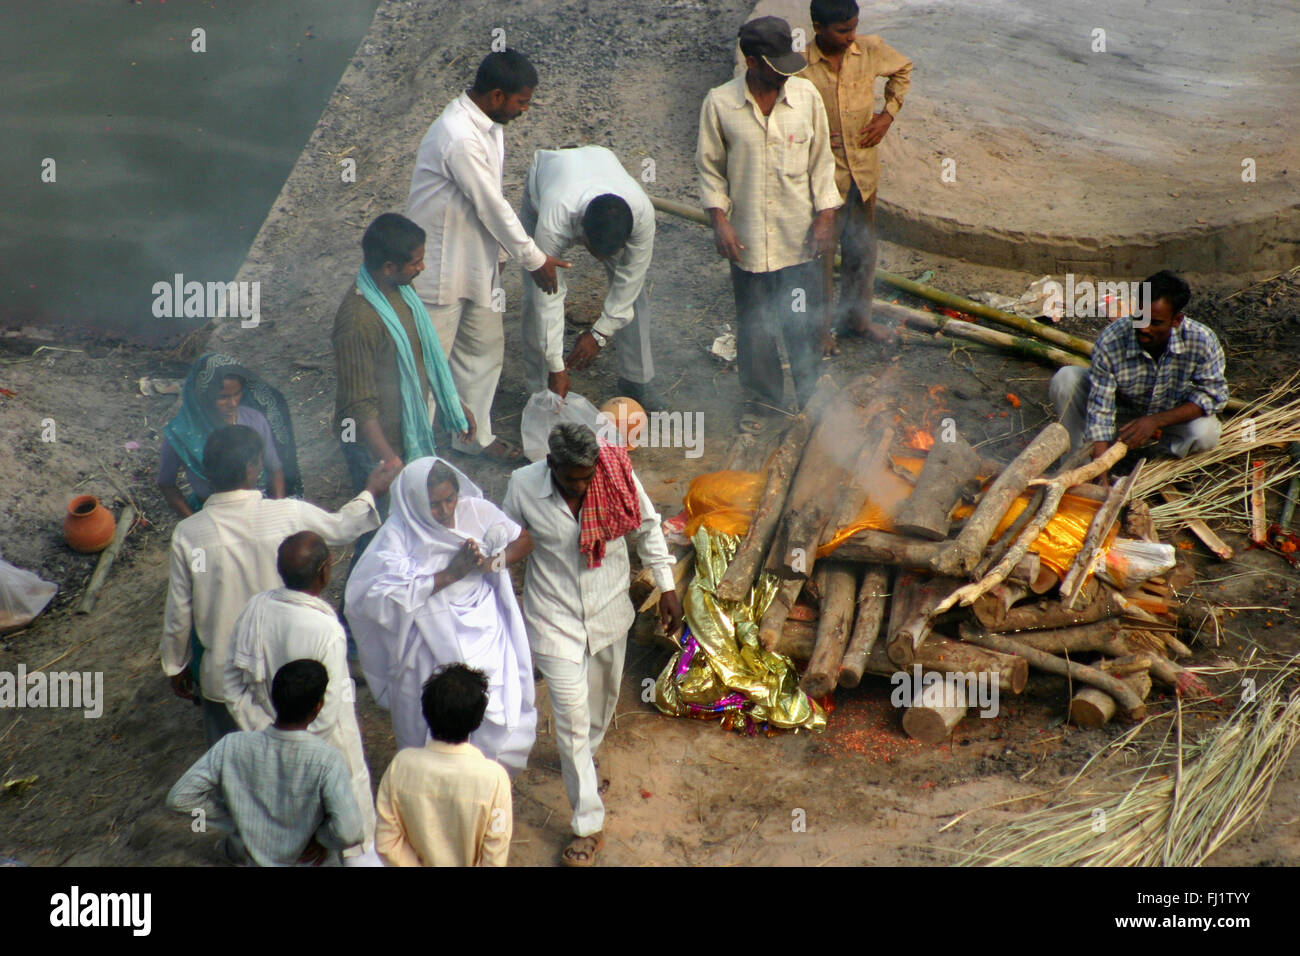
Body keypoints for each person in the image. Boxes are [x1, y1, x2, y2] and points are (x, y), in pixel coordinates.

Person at [502, 423, 681, 866]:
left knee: (602, 706)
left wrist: (668, 586)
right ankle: (587, 823)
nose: (581, 486)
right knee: (572, 719)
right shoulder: (522, 486)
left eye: (586, 477)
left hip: (608, 613)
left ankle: (583, 761)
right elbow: (507, 539)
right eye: (571, 478)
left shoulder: (616, 473)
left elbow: (648, 528)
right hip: (552, 617)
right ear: (552, 465)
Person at [161, 424, 400, 745]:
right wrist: (370, 491)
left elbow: (179, 611)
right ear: (253, 467)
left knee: (236, 774)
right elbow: (343, 527)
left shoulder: (190, 533)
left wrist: (175, 665)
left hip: (223, 681)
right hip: (286, 673)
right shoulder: (287, 514)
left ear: (207, 471)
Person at [405, 49, 569, 461]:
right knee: (429, 364)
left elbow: (490, 202)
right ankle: (418, 454)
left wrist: (500, 255)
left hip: (476, 264)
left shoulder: (490, 126)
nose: (524, 110)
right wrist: (534, 259)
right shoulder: (458, 134)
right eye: (521, 102)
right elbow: (491, 204)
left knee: (482, 350)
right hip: (438, 268)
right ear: (497, 95)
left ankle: (471, 436)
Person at [345, 458, 537, 775]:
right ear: (416, 502)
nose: (446, 510)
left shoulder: (476, 511)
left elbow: (524, 540)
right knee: (429, 712)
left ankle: (484, 778)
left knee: (490, 702)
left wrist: (493, 562)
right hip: (425, 640)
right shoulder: (397, 535)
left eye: (450, 499)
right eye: (435, 504)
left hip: (482, 624)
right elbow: (369, 598)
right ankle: (432, 780)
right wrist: (447, 575)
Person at [697, 16, 841, 430]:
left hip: (799, 240)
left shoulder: (807, 97)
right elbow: (710, 170)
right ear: (750, 61)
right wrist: (719, 221)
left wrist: (825, 217)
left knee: (801, 319)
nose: (784, 77)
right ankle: (765, 404)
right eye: (775, 68)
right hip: (747, 242)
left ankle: (811, 401)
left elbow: (822, 165)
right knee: (755, 325)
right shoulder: (720, 103)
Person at [224, 532, 377, 862]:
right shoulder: (326, 631)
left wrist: (265, 732)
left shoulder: (256, 608)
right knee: (346, 843)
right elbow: (326, 715)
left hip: (270, 755)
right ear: (326, 570)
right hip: (323, 757)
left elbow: (232, 686)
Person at [333, 212, 476, 537]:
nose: (421, 268)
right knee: (380, 533)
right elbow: (360, 404)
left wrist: (455, 405)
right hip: (374, 447)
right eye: (416, 262)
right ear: (388, 267)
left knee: (413, 524)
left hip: (400, 435)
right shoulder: (357, 321)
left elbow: (423, 359)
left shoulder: (398, 292)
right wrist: (390, 461)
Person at [167, 660, 365, 867]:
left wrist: (241, 821)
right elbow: (349, 833)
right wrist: (322, 838)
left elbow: (179, 798)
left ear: (274, 699)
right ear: (318, 706)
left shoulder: (231, 746)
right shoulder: (327, 760)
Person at [801, 0, 912, 350]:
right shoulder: (801, 67)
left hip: (863, 172)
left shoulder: (869, 49)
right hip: (822, 178)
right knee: (820, 255)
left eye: (854, 27)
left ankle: (857, 319)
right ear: (818, 28)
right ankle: (818, 332)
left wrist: (887, 115)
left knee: (862, 249)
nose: (851, 37)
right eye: (842, 30)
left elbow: (903, 69)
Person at [520, 145, 662, 410]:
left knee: (634, 293)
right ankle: (541, 391)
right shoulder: (556, 218)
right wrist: (556, 365)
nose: (598, 260)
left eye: (607, 254)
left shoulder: (642, 215)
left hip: (599, 162)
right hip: (546, 183)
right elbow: (548, 296)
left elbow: (630, 279)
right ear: (581, 229)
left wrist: (599, 334)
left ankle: (637, 380)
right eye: (595, 251)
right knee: (535, 289)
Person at [1049, 270, 1227, 480]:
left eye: (1155, 322)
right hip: (1121, 412)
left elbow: (1215, 396)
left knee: (1206, 432)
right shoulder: (1112, 340)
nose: (1144, 328)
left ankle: (1161, 466)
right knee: (1066, 379)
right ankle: (1078, 467)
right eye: (1139, 317)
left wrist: (1154, 421)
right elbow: (1101, 409)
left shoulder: (1201, 340)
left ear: (1176, 320)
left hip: (1168, 415)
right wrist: (1101, 476)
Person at [374, 664, 513, 867]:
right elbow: (495, 854)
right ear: (478, 720)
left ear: (426, 713)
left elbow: (387, 844)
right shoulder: (494, 779)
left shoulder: (401, 766)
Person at [157, 352, 302, 517]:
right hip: (211, 513)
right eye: (223, 397)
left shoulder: (254, 420)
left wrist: (276, 513)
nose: (233, 403)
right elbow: (166, 484)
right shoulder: (180, 433)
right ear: (204, 395)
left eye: (237, 394)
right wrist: (193, 520)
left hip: (258, 509)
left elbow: (275, 469)